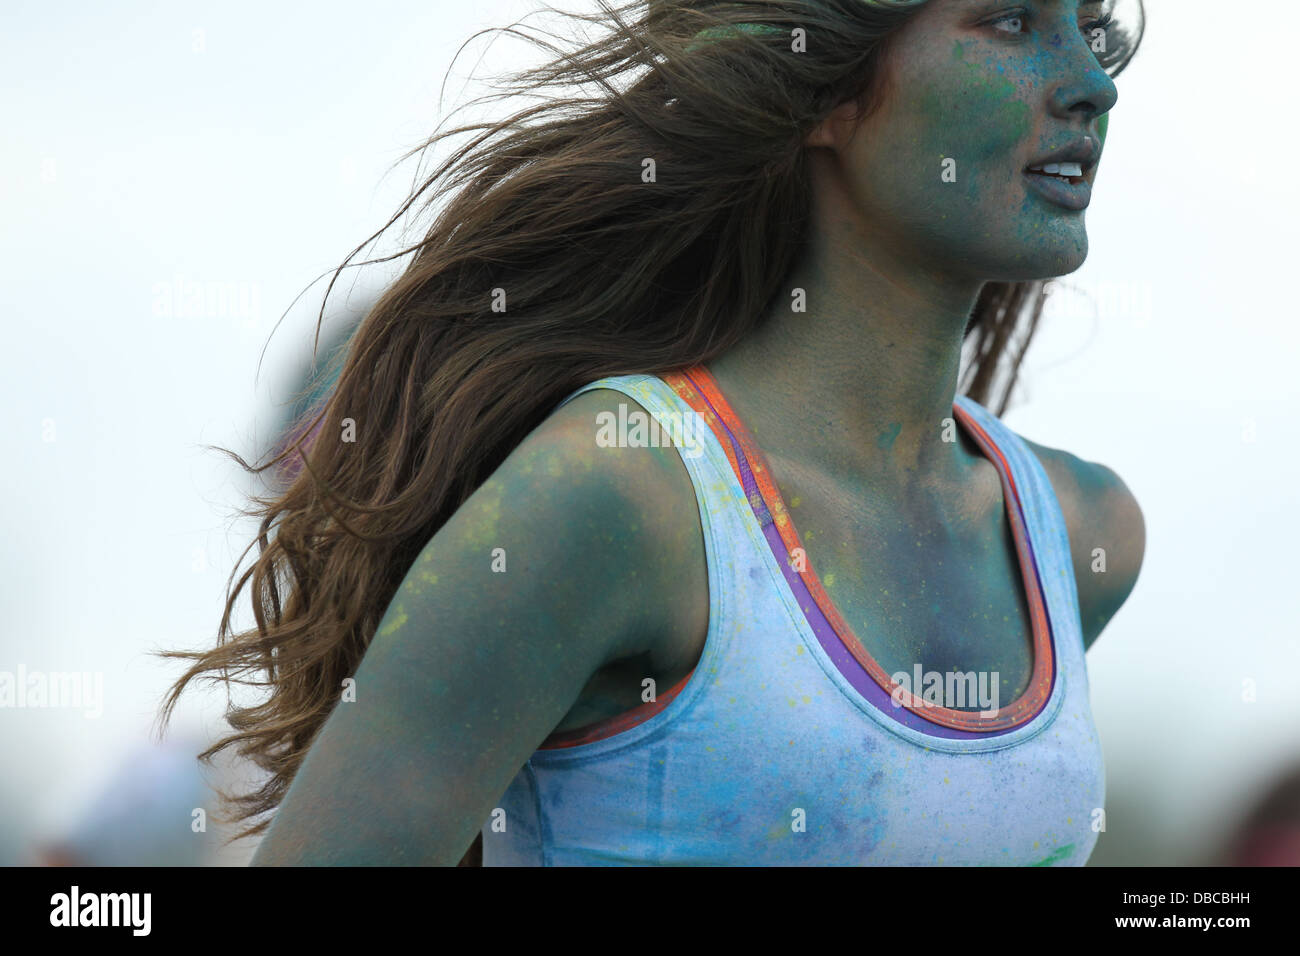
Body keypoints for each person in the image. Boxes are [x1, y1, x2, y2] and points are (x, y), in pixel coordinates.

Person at [158, 0, 1147, 866]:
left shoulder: (1075, 535)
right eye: (1013, 21)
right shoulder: (615, 495)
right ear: (830, 94)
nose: (1092, 82)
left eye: (1090, 26)